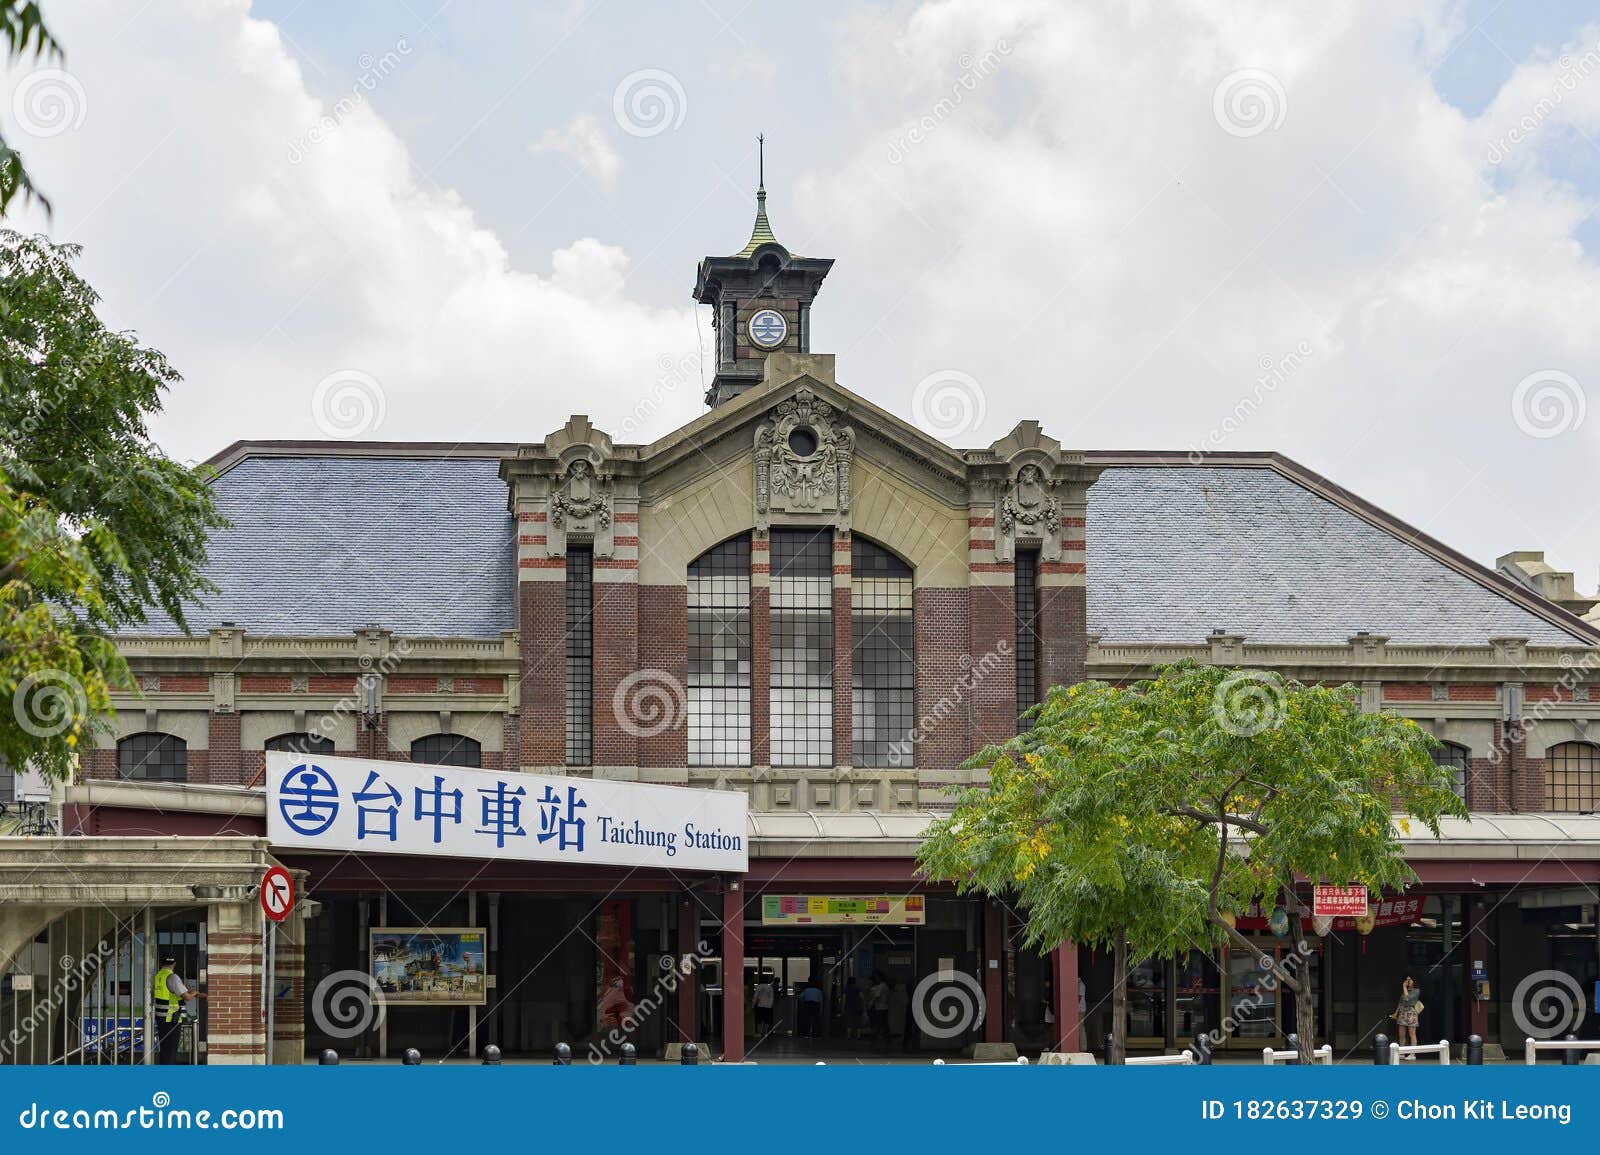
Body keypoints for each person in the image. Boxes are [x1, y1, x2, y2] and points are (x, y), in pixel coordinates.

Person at [151, 954, 197, 1065]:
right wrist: (195, 993)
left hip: (161, 1018)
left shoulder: (157, 976)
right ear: (174, 964)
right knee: (171, 1051)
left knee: (165, 1050)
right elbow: (187, 997)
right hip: (172, 1019)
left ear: (161, 963)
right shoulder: (173, 977)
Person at [1393, 974, 1422, 1057]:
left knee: (1412, 1033)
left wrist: (1404, 987)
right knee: (1401, 1034)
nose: (1408, 981)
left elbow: (1407, 999)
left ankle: (1413, 1054)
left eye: (1410, 980)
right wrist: (1396, 1013)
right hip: (1402, 1012)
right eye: (1406, 980)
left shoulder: (1416, 990)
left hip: (1411, 1012)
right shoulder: (1404, 990)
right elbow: (1401, 1002)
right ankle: (1401, 1053)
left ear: (1413, 981)